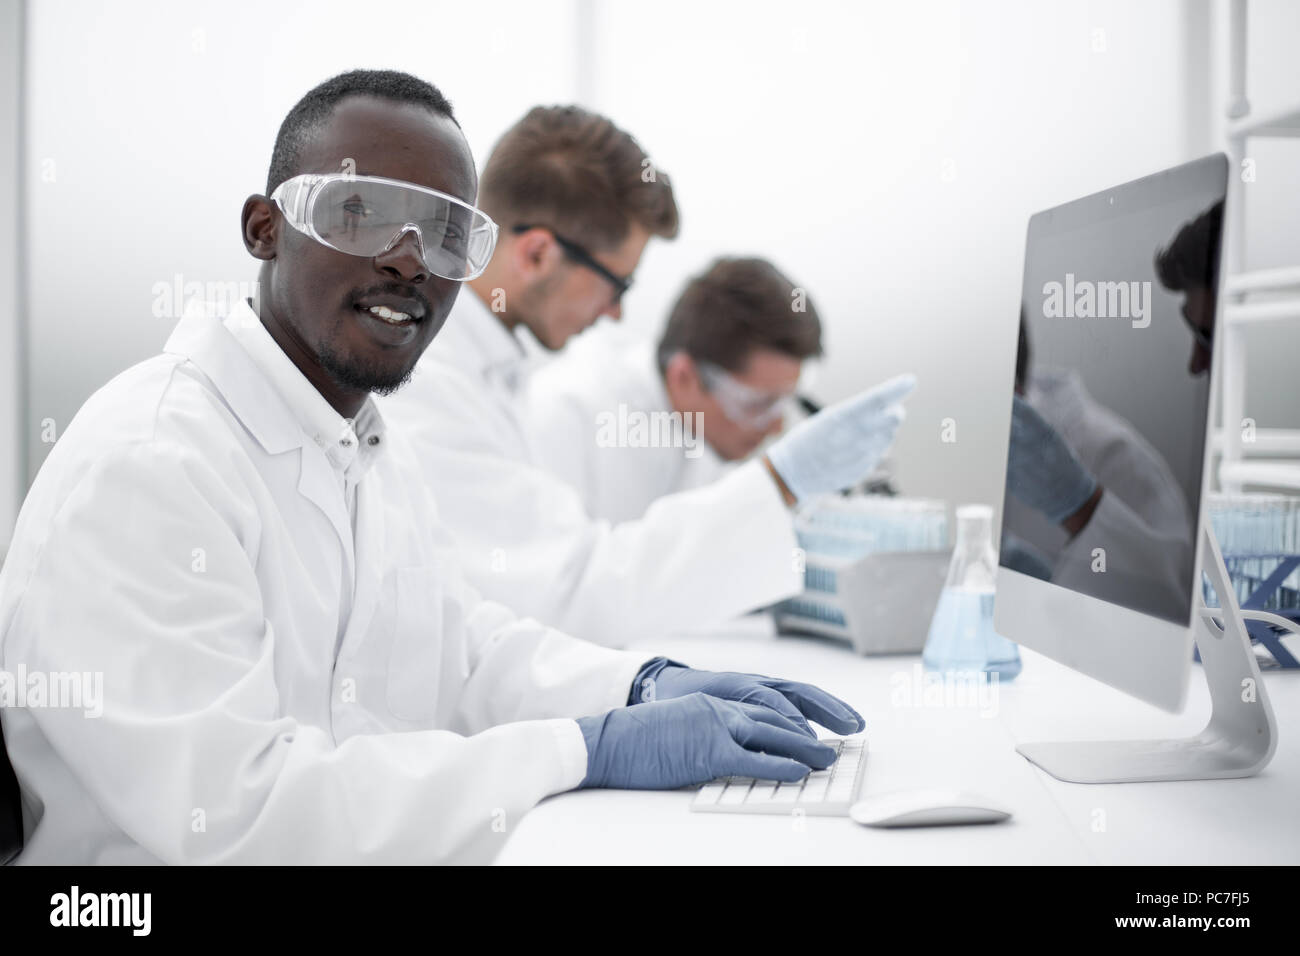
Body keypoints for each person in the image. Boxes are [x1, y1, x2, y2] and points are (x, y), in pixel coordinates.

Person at [0, 70, 866, 865]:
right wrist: (584, 750)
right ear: (264, 229)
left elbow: (458, 650)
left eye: (448, 233)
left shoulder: (361, 441)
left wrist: (637, 685)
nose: (408, 258)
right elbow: (243, 813)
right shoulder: (152, 466)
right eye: (359, 211)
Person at [380, 106, 914, 646]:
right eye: (617, 285)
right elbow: (570, 590)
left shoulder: (493, 372)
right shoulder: (427, 383)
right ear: (538, 254)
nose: (615, 314)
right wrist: (779, 482)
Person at [525, 256, 823, 523]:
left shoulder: (705, 428)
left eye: (783, 402)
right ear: (684, 376)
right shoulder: (568, 411)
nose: (776, 426)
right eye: (757, 404)